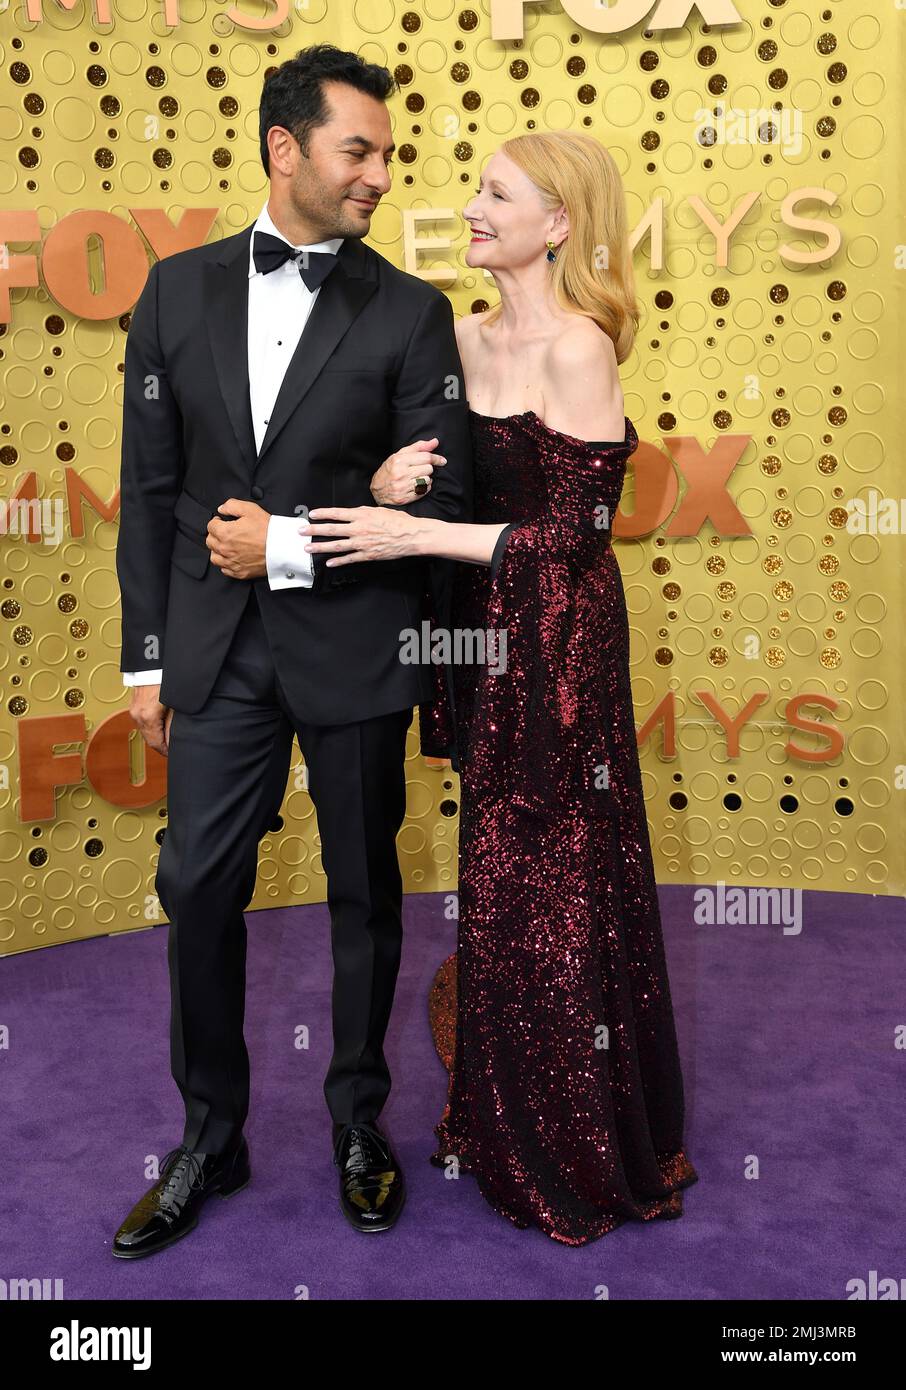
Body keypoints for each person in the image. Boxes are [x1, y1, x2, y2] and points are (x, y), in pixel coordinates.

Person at [302, 131, 699, 1245]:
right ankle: (498, 1119)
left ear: (558, 225)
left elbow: (573, 539)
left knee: (564, 888)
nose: (470, 207)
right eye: (475, 188)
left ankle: (580, 1147)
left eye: (495, 194)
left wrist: (406, 529)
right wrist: (390, 486)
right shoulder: (457, 334)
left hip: (562, 647)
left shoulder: (579, 350)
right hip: (479, 640)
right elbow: (441, 488)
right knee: (497, 876)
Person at [111, 44, 471, 1257]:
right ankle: (211, 1134)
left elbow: (439, 499)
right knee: (197, 886)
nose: (379, 172)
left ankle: (358, 1122)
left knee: (365, 893)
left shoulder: (413, 312)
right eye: (356, 150)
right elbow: (153, 494)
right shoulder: (173, 292)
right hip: (216, 657)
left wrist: (289, 545)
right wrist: (148, 664)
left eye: (384, 152)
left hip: (359, 644)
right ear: (286, 149)